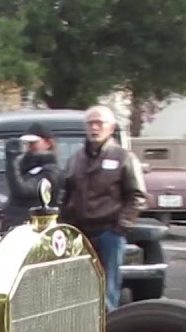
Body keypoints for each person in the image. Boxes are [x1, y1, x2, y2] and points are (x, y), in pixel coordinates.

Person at [58, 105, 147, 311]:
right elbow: (65, 194)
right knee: (78, 288)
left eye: (99, 123)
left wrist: (120, 227)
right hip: (79, 234)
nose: (94, 128)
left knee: (108, 292)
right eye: (90, 123)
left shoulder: (123, 157)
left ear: (111, 127)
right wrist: (65, 224)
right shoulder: (75, 159)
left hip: (109, 232)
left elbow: (138, 196)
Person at [0, 122, 64, 229]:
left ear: (48, 143)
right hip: (16, 224)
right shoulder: (25, 166)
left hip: (35, 227)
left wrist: (12, 162)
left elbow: (24, 191)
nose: (29, 147)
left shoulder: (52, 171)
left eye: (33, 143)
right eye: (27, 143)